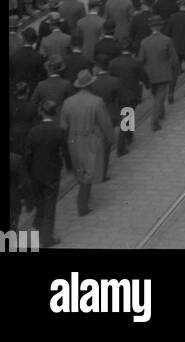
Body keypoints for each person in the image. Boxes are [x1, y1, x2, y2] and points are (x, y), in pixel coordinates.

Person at [59, 68, 114, 216]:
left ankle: (84, 198)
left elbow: (63, 124)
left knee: (80, 169)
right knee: (89, 171)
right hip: (90, 139)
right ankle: (82, 204)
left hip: (73, 139)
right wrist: (111, 138)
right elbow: (105, 123)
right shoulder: (97, 102)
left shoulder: (68, 102)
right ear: (90, 84)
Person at [24, 100, 71, 246]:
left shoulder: (33, 131)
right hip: (52, 173)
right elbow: (65, 151)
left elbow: (28, 155)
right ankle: (47, 238)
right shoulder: (59, 131)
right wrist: (69, 167)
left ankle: (36, 230)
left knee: (40, 203)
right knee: (50, 205)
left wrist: (26, 173)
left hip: (36, 174)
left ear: (41, 112)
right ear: (55, 112)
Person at [139, 15, 180, 131]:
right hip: (164, 73)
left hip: (150, 75)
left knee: (156, 96)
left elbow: (140, 60)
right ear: (160, 26)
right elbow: (174, 59)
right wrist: (176, 71)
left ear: (150, 27)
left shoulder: (144, 42)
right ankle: (154, 122)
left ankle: (161, 112)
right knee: (159, 98)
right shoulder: (167, 40)